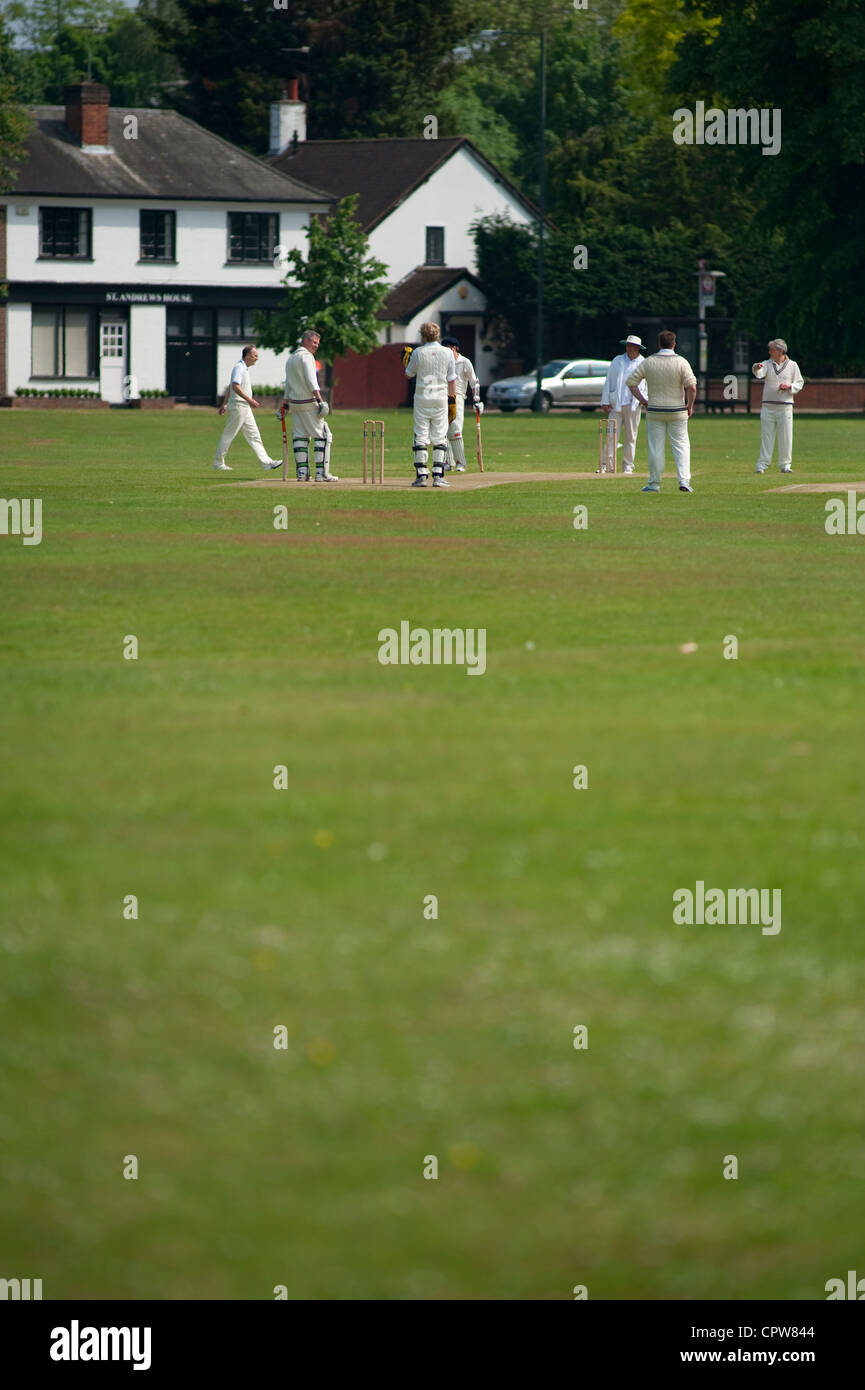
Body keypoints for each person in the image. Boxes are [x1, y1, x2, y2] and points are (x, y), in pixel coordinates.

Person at [626, 329, 697, 493]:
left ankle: (654, 484)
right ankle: (684, 481)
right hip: (677, 411)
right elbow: (691, 387)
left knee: (656, 448)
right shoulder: (681, 362)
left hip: (655, 411)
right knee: (681, 446)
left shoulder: (649, 362)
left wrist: (644, 401)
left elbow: (631, 383)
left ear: (659, 344)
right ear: (674, 344)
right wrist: (690, 405)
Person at [280, 327, 338, 482]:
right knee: (324, 435)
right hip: (308, 403)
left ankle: (302, 473)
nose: (316, 345)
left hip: (295, 404)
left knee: (300, 436)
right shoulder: (307, 357)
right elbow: (311, 380)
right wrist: (320, 401)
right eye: (314, 342)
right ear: (305, 340)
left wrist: (285, 405)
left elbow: (288, 385)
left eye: (318, 343)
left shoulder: (291, 358)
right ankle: (322, 474)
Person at [212, 345, 281, 472]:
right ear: (247, 355)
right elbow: (235, 386)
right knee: (229, 435)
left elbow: (230, 386)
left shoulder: (243, 368)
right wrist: (250, 400)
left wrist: (224, 404)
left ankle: (266, 463)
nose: (257, 358)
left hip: (244, 407)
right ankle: (218, 463)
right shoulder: (239, 367)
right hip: (239, 406)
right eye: (255, 356)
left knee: (254, 436)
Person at [404, 323, 456, 488]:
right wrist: (452, 400)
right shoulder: (448, 352)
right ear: (438, 335)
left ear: (423, 336)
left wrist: (405, 361)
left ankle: (421, 476)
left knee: (421, 435)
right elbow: (452, 379)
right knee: (440, 436)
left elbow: (408, 374)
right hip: (440, 398)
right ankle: (438, 476)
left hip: (422, 398)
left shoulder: (418, 352)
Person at [752, 339, 804, 474]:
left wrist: (789, 387)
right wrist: (756, 368)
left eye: (772, 349)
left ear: (781, 350)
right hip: (768, 406)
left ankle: (785, 465)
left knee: (786, 437)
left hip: (785, 407)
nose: (769, 352)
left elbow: (799, 382)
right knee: (766, 436)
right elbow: (759, 372)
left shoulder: (792, 365)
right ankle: (762, 464)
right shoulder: (767, 364)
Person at [600, 334, 646, 474]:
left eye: (632, 346)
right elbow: (609, 381)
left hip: (633, 405)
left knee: (631, 437)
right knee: (611, 436)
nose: (629, 348)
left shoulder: (644, 363)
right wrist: (605, 400)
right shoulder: (617, 360)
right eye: (627, 345)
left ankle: (628, 467)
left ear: (638, 348)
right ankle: (607, 466)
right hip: (616, 404)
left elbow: (646, 385)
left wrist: (644, 400)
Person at [441, 336, 482, 473]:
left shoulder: (464, 362)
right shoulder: (443, 362)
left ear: (454, 348)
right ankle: (448, 462)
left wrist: (476, 400)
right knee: (443, 431)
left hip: (458, 397)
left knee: (455, 429)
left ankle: (460, 462)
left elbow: (473, 381)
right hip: (442, 397)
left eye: (448, 349)